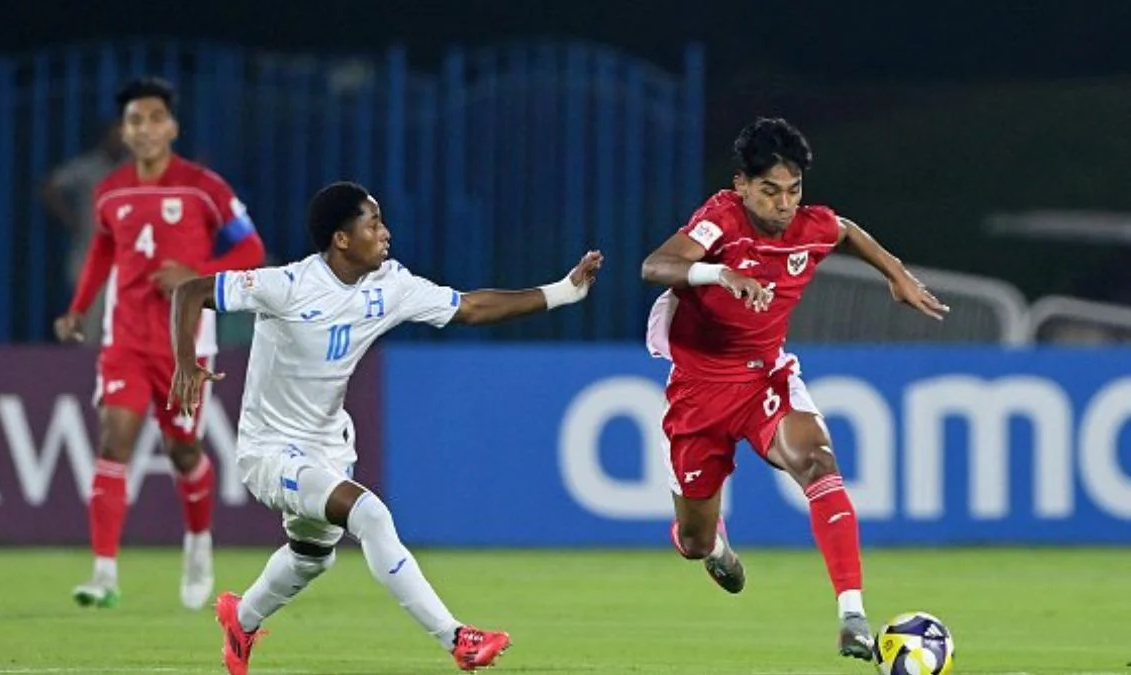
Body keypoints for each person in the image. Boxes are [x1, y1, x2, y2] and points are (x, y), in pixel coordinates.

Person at [168, 181, 601, 674]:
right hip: (270, 451)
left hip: (328, 445)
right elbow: (191, 290)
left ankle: (240, 619)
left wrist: (564, 292)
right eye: (372, 223)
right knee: (369, 514)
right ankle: (457, 638)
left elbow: (471, 307)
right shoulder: (286, 286)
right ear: (342, 239)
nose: (385, 232)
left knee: (311, 556)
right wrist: (185, 359)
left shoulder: (389, 285)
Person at [640, 117, 949, 661]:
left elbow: (846, 229)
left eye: (793, 190)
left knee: (818, 464)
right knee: (693, 541)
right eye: (770, 191)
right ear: (741, 184)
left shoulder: (811, 227)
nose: (784, 205)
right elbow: (655, 266)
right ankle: (712, 545)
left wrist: (895, 273)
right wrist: (719, 275)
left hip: (766, 377)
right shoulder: (721, 220)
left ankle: (852, 614)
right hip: (698, 392)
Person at [53, 76, 267, 610]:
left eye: (153, 118)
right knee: (113, 441)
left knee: (183, 449)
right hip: (123, 336)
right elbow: (102, 252)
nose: (144, 129)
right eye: (134, 121)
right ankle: (103, 573)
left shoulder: (205, 187)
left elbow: (253, 251)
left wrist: (198, 274)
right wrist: (79, 308)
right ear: (124, 132)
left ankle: (198, 543)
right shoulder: (111, 191)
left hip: (186, 340)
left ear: (171, 126)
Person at [41, 119, 126, 344]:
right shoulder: (88, 167)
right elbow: (50, 186)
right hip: (89, 256)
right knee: (91, 325)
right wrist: (70, 219)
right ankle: (87, 373)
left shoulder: (133, 168)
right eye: (115, 134)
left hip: (126, 258)